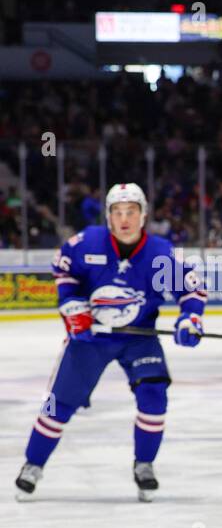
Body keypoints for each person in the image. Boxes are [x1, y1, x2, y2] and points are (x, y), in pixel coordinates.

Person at [14, 183, 206, 502]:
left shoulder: (161, 253)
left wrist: (191, 319)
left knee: (154, 395)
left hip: (138, 337)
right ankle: (33, 464)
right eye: (117, 212)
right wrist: (73, 309)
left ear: (143, 216)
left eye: (131, 211)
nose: (124, 219)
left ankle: (144, 465)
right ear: (109, 216)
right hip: (92, 338)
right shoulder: (86, 242)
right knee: (57, 404)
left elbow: (192, 290)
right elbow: (64, 274)